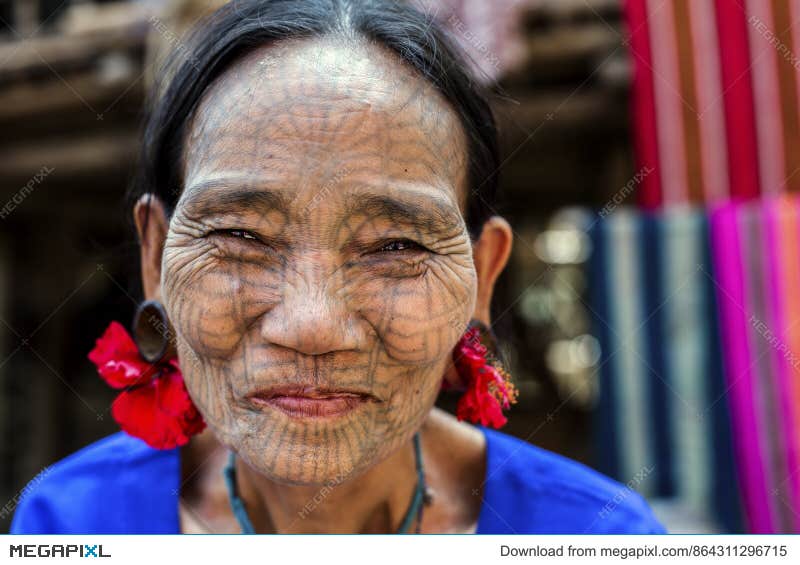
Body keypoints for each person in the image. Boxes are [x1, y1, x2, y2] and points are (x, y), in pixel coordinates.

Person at [10, 0, 664, 534]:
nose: (313, 326)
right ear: (155, 257)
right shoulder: (71, 525)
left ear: (483, 275)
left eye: (398, 246)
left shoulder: (598, 537)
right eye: (239, 234)